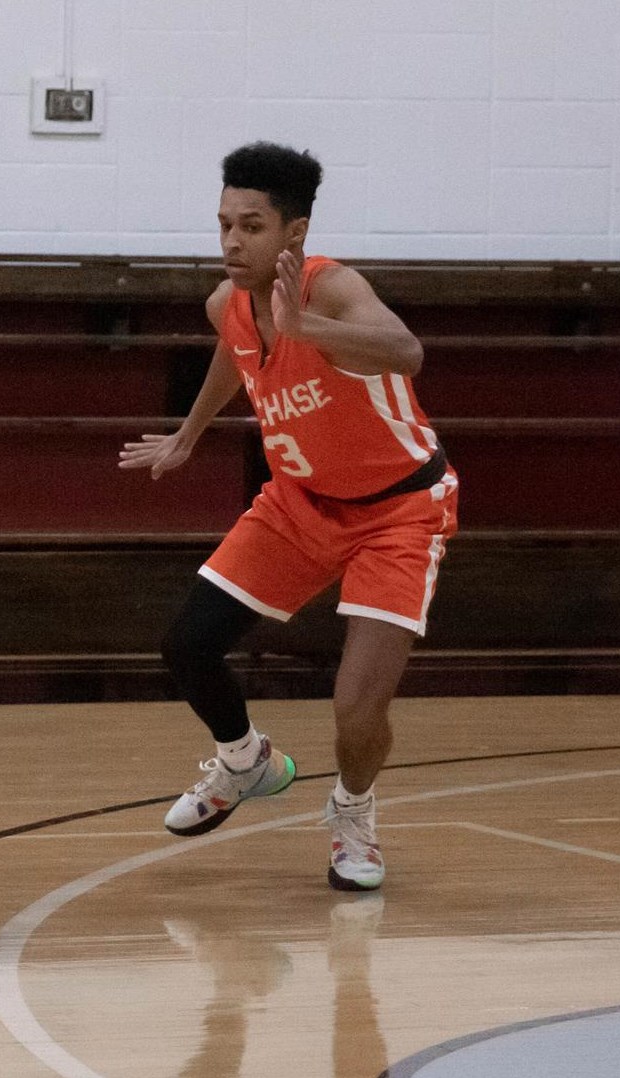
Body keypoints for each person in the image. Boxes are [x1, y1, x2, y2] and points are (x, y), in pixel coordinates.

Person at [120, 143, 457, 892]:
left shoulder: (332, 289)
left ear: (294, 233)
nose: (232, 242)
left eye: (252, 226)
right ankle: (246, 762)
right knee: (187, 645)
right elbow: (234, 352)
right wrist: (189, 434)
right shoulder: (227, 302)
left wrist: (307, 329)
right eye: (224, 225)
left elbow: (407, 351)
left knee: (355, 708)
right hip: (299, 501)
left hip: (398, 511)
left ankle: (354, 813)